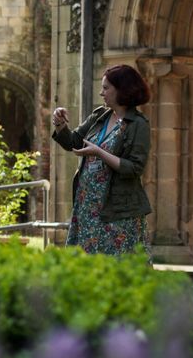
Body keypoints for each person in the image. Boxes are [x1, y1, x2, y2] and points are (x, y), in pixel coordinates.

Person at [51, 64, 153, 256]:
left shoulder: (138, 124)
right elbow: (73, 142)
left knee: (116, 264)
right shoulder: (100, 116)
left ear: (122, 90)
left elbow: (135, 168)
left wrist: (99, 153)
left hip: (116, 209)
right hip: (87, 205)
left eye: (106, 88)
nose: (101, 93)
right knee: (86, 263)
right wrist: (60, 124)